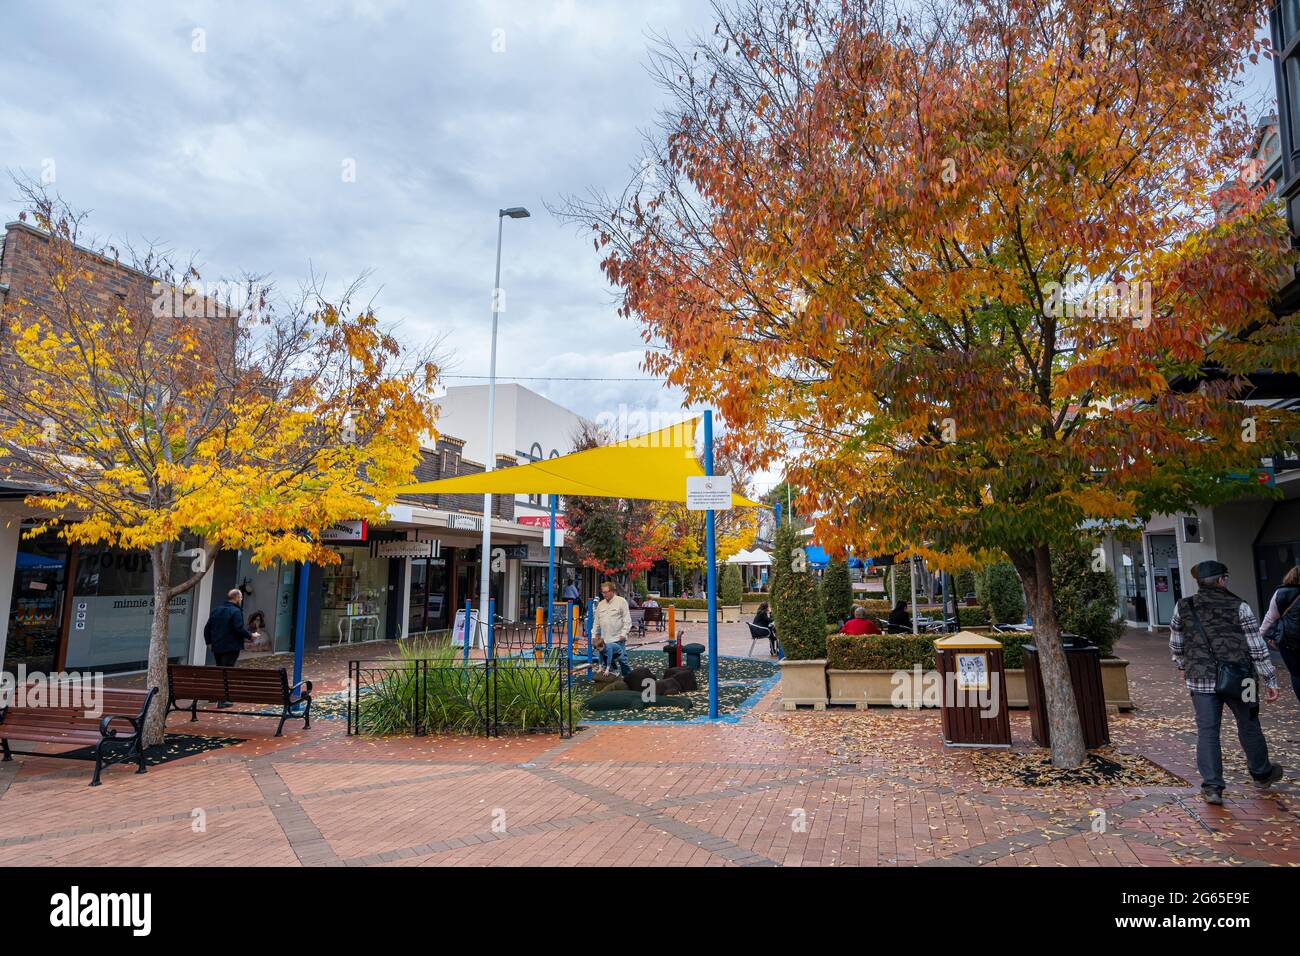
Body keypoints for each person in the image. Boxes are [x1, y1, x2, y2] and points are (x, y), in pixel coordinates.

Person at [1170, 560, 1284, 805]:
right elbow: (1257, 647)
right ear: (1221, 580)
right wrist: (1270, 679)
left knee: (1208, 731)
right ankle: (1262, 773)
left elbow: (1176, 645)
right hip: (1242, 679)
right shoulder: (1239, 606)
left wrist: (1183, 666)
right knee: (1250, 723)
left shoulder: (1184, 606)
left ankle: (1212, 786)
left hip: (1200, 680)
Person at [203, 588, 253, 707]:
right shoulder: (235, 612)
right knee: (227, 671)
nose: (241, 599)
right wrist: (251, 636)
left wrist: (209, 642)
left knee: (221, 669)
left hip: (217, 646)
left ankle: (219, 696)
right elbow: (239, 628)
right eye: (240, 597)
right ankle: (223, 699)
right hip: (231, 646)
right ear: (236, 598)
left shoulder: (216, 610)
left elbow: (207, 628)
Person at [1260, 565, 1300, 705]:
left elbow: (1270, 617)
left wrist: (1259, 635)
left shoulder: (1280, 593)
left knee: (1296, 673)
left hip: (1288, 641)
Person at [593, 581, 631, 663]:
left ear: (612, 591)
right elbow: (596, 622)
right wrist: (594, 635)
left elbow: (627, 619)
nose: (604, 594)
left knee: (622, 659)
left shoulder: (621, 601)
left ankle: (627, 675)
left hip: (618, 637)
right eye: (603, 592)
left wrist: (624, 633)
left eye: (606, 592)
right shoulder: (600, 604)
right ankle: (611, 674)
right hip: (605, 639)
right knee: (607, 660)